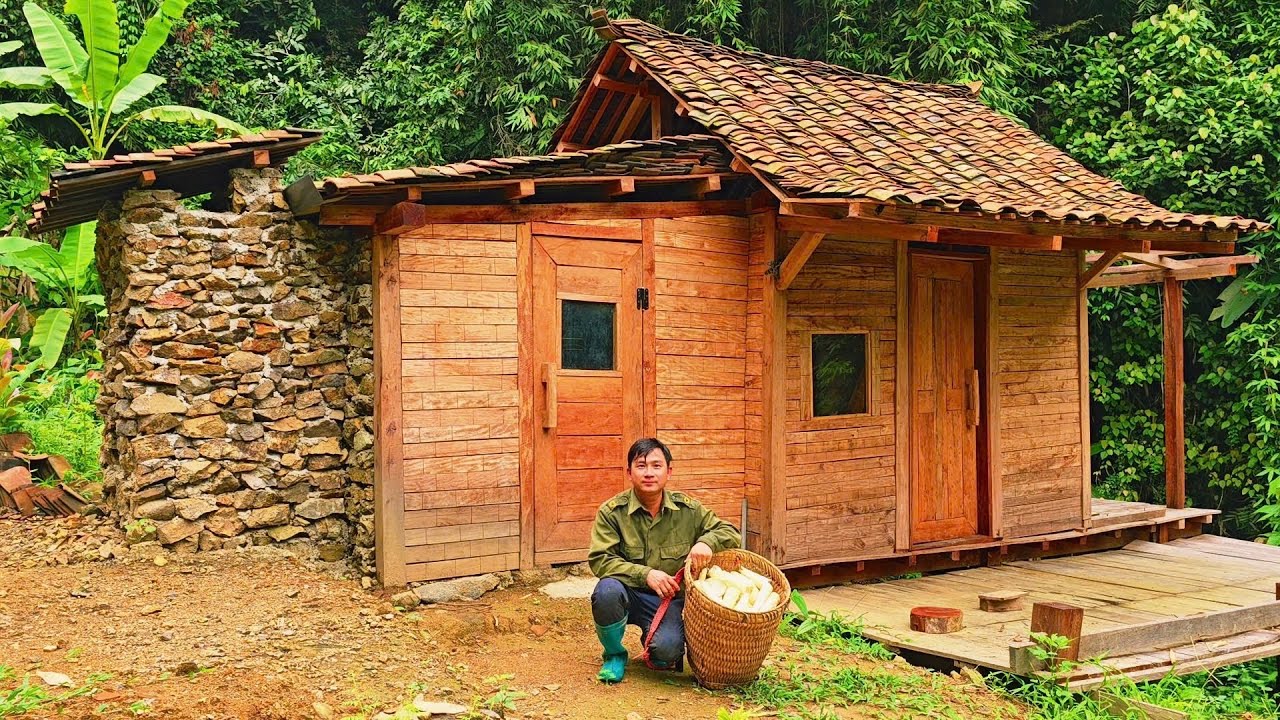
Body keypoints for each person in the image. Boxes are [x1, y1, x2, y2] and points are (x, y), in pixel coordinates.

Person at [587, 437, 741, 683]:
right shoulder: (612, 512)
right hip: (627, 593)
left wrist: (706, 543)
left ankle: (655, 640)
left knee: (666, 653)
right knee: (606, 591)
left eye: (656, 466)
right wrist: (645, 574)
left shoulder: (688, 510)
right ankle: (614, 654)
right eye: (641, 466)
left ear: (669, 471)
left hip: (668, 600)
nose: (649, 473)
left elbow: (730, 532)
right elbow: (600, 559)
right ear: (629, 472)